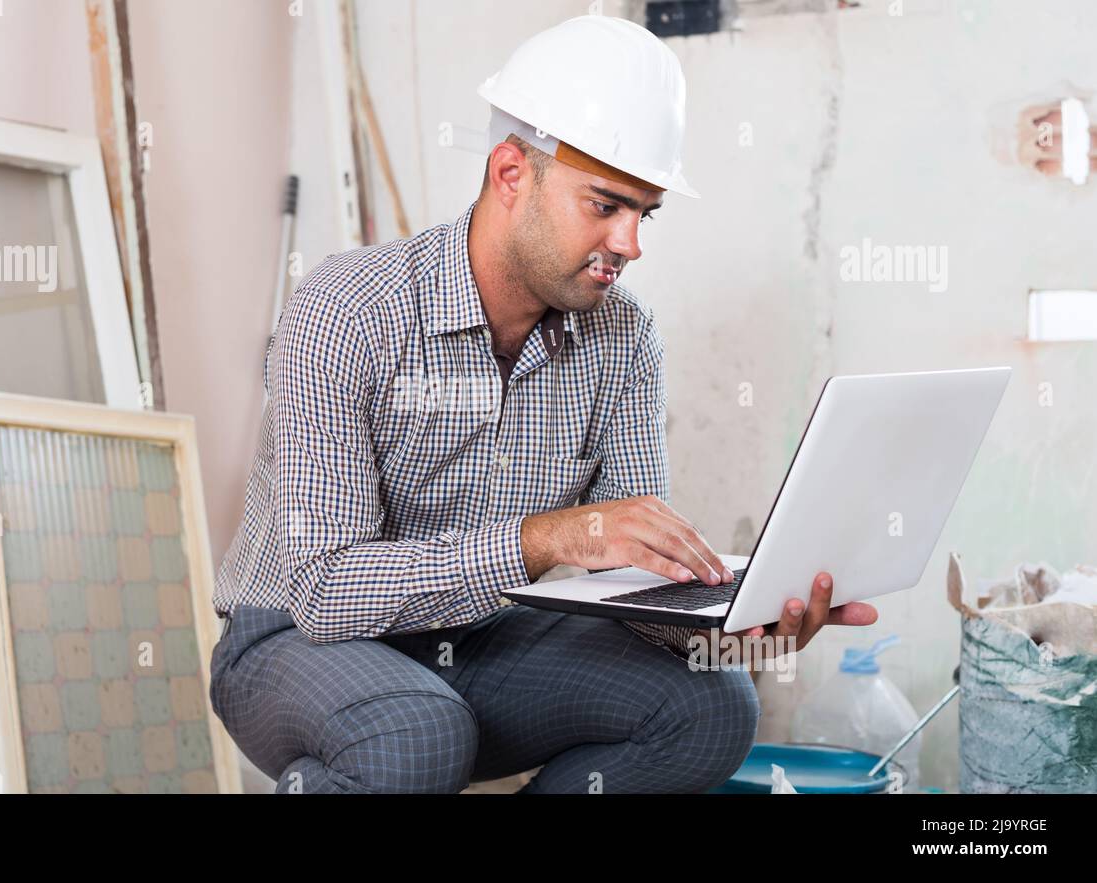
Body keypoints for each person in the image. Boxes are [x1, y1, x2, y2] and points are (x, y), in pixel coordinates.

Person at [208, 15, 877, 794]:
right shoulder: (348, 308)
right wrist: (553, 536)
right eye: (605, 205)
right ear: (509, 174)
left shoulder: (624, 338)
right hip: (292, 639)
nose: (631, 242)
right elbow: (326, 592)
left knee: (713, 705)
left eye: (644, 212)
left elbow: (632, 592)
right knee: (416, 730)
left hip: (480, 639)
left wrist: (735, 625)